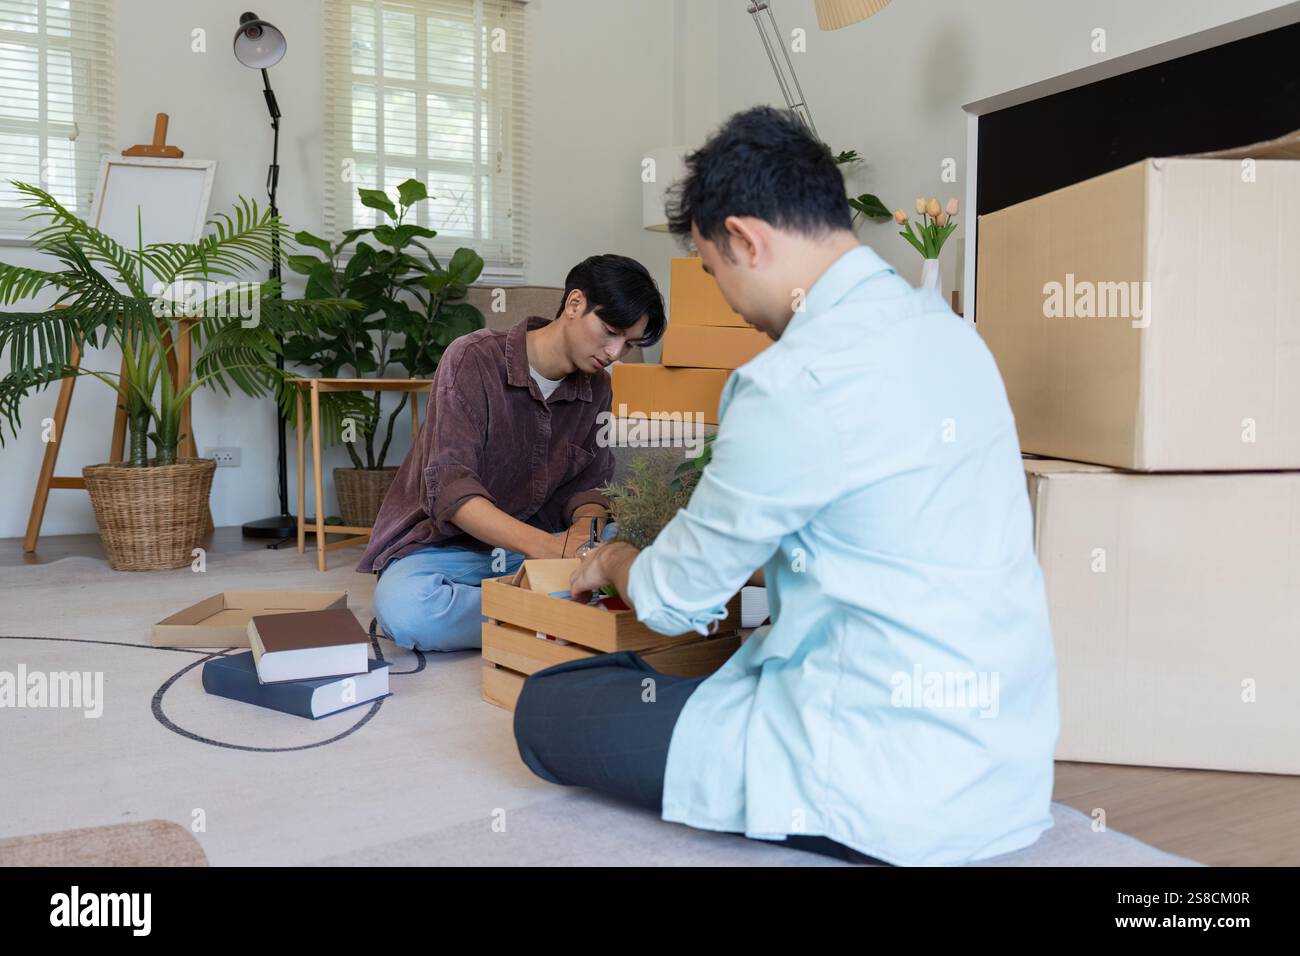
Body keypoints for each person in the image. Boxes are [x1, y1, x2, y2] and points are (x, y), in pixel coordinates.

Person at [512, 106, 1060, 867]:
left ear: (745, 239)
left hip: (875, 781)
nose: (730, 300)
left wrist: (613, 560)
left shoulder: (790, 381)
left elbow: (674, 599)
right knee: (691, 668)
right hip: (1005, 769)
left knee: (549, 704)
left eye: (714, 271)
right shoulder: (953, 337)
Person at [358, 254, 666, 653]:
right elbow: (451, 489)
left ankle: (537, 609)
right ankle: (562, 612)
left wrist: (582, 536)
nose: (614, 352)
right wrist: (548, 549)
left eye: (628, 344)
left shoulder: (598, 387)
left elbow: (592, 487)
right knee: (406, 609)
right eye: (610, 332)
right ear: (574, 304)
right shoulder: (472, 358)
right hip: (451, 548)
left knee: (647, 546)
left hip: (545, 547)